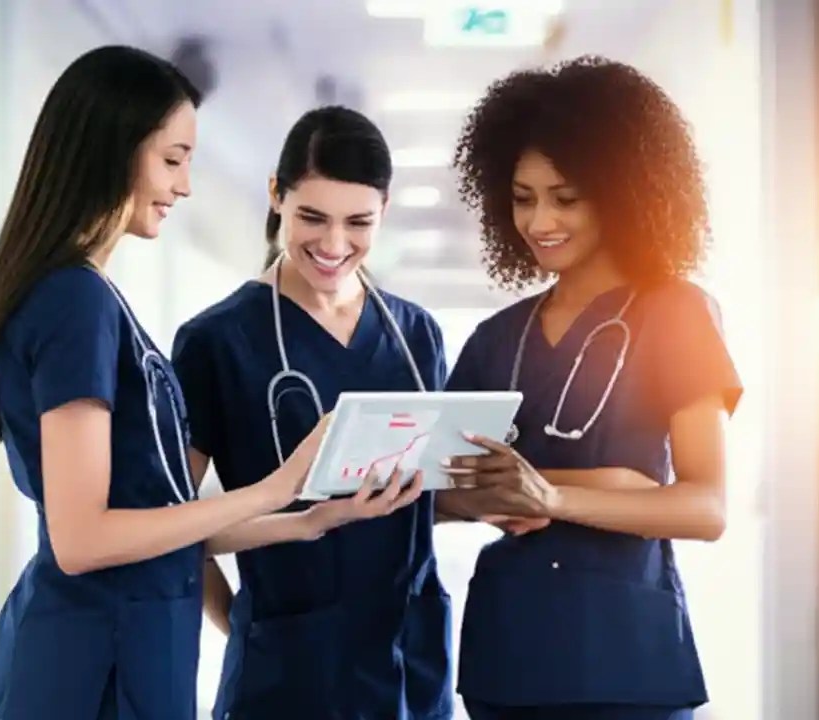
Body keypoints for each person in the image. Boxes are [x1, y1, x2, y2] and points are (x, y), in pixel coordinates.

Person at [0, 45, 325, 720]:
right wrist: (270, 490)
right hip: (90, 669)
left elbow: (154, 525)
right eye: (172, 158)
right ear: (111, 149)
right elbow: (83, 541)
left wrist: (304, 520)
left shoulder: (94, 296)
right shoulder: (74, 301)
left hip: (129, 654)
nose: (185, 184)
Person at [437, 56, 744, 720]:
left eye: (566, 197)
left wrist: (548, 493)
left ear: (620, 191)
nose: (540, 220)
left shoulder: (676, 312)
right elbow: (439, 494)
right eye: (522, 198)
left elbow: (705, 508)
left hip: (627, 663)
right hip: (506, 661)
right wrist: (606, 486)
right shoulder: (497, 338)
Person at [171, 105, 453, 720]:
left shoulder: (417, 336)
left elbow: (431, 498)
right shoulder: (217, 342)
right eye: (311, 217)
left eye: (358, 222)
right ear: (276, 195)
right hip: (286, 674)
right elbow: (175, 526)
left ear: (385, 208)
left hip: (412, 664)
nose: (333, 245)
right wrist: (248, 624)